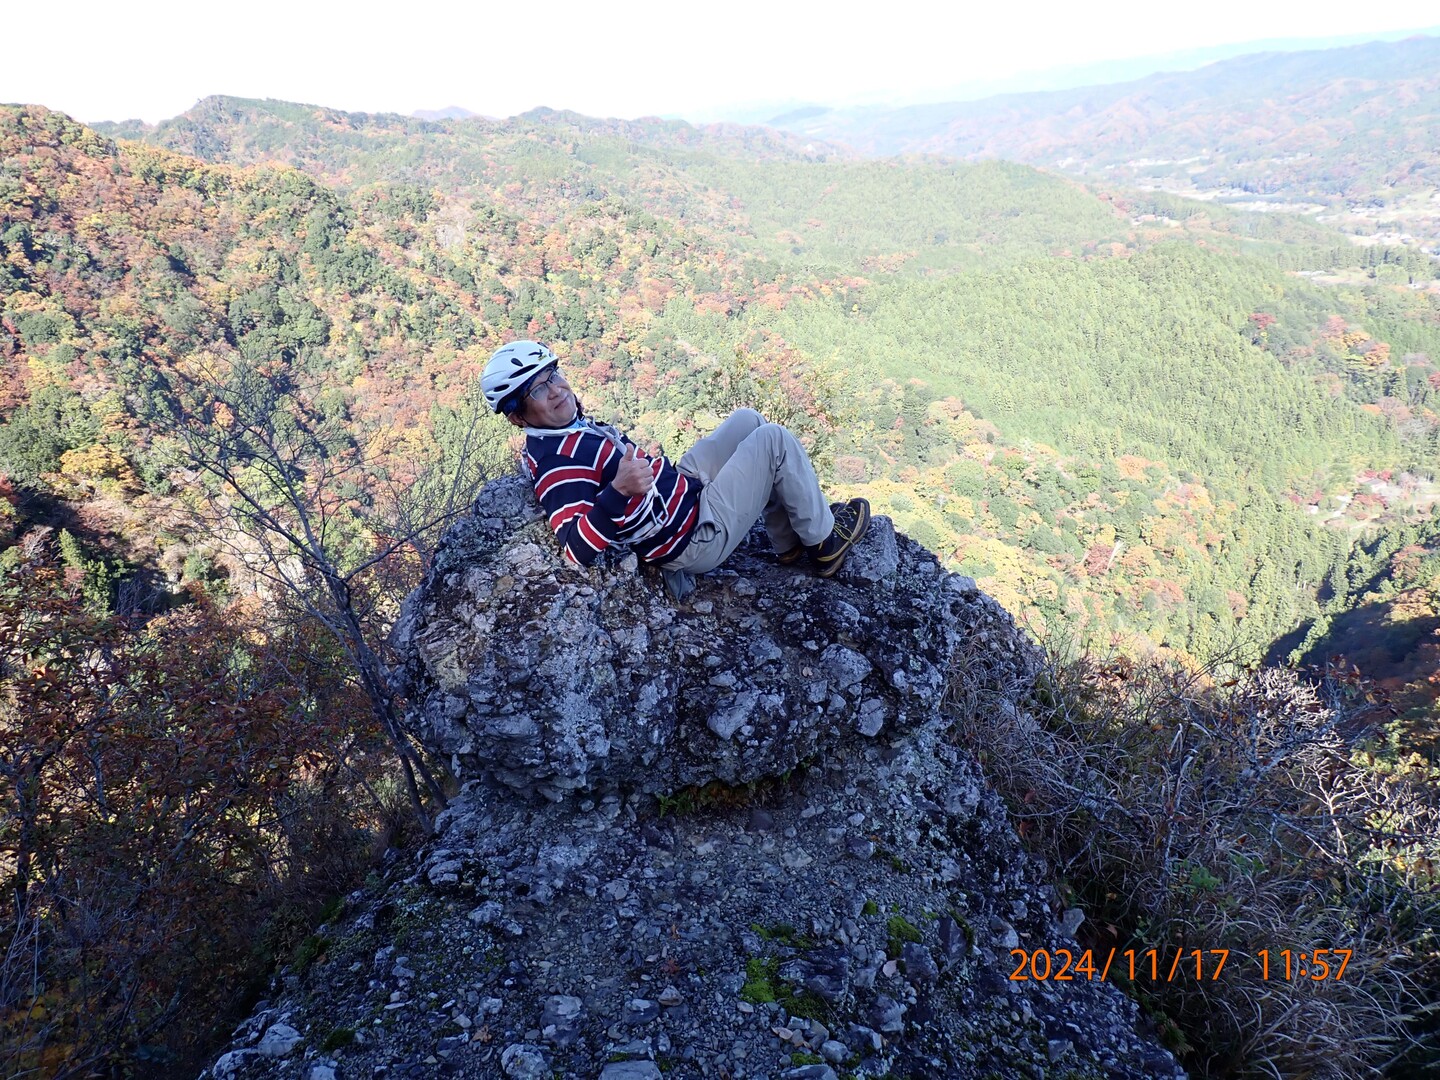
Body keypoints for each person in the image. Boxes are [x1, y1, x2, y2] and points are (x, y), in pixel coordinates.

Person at [482, 340, 869, 598]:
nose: (556, 389)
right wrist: (618, 490)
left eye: (553, 375)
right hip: (693, 536)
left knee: (748, 420)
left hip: (682, 493)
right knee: (774, 440)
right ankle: (823, 544)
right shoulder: (559, 463)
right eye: (537, 390)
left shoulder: (565, 429)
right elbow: (575, 549)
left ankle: (788, 545)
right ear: (517, 416)